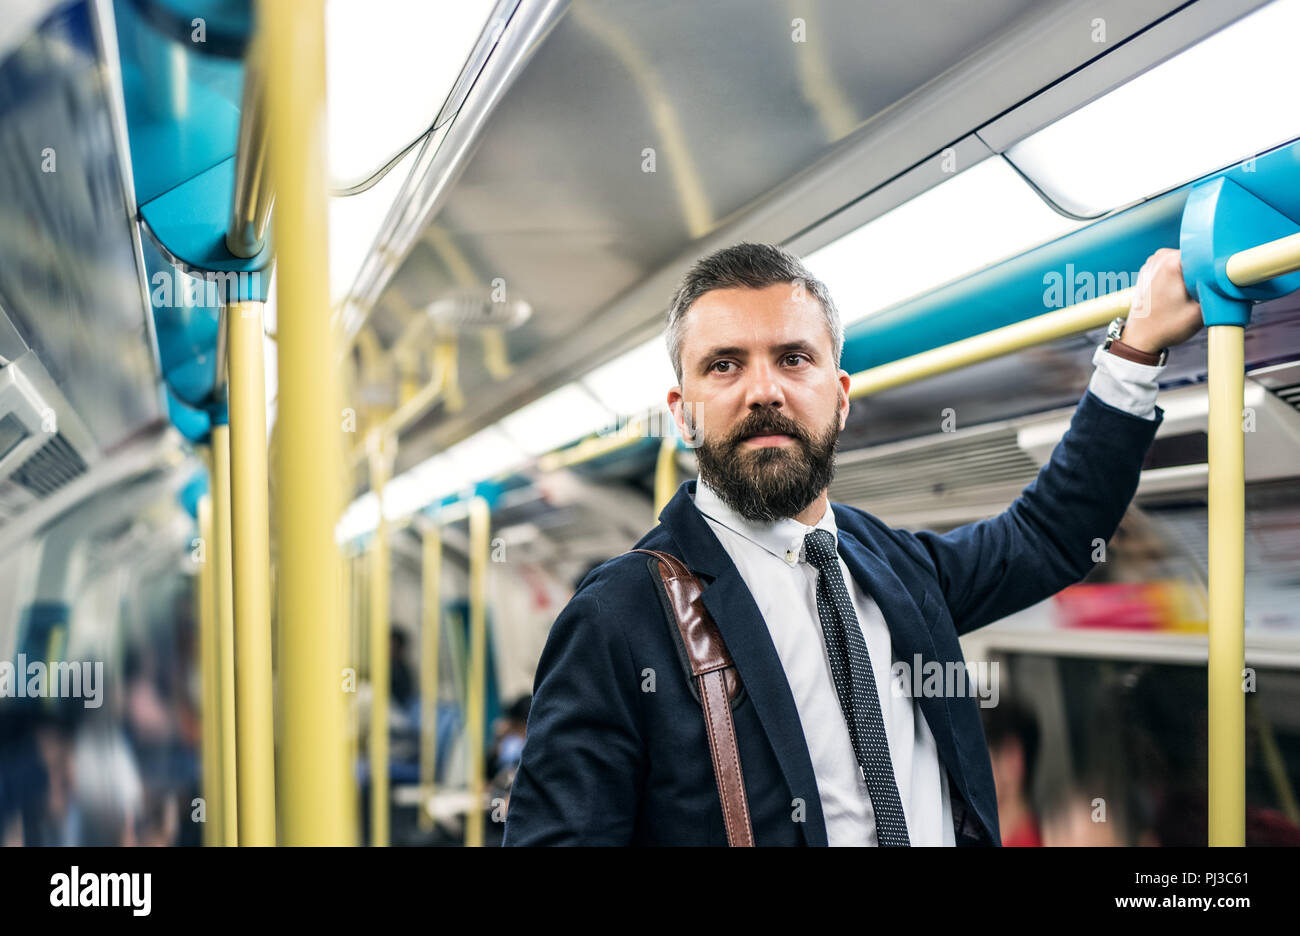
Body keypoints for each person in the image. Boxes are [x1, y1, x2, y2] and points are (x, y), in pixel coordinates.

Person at [504, 243, 1204, 846]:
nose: (763, 391)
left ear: (840, 396)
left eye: (792, 358)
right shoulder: (621, 616)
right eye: (724, 365)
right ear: (682, 413)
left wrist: (1135, 351)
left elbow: (1048, 535)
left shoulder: (894, 566)